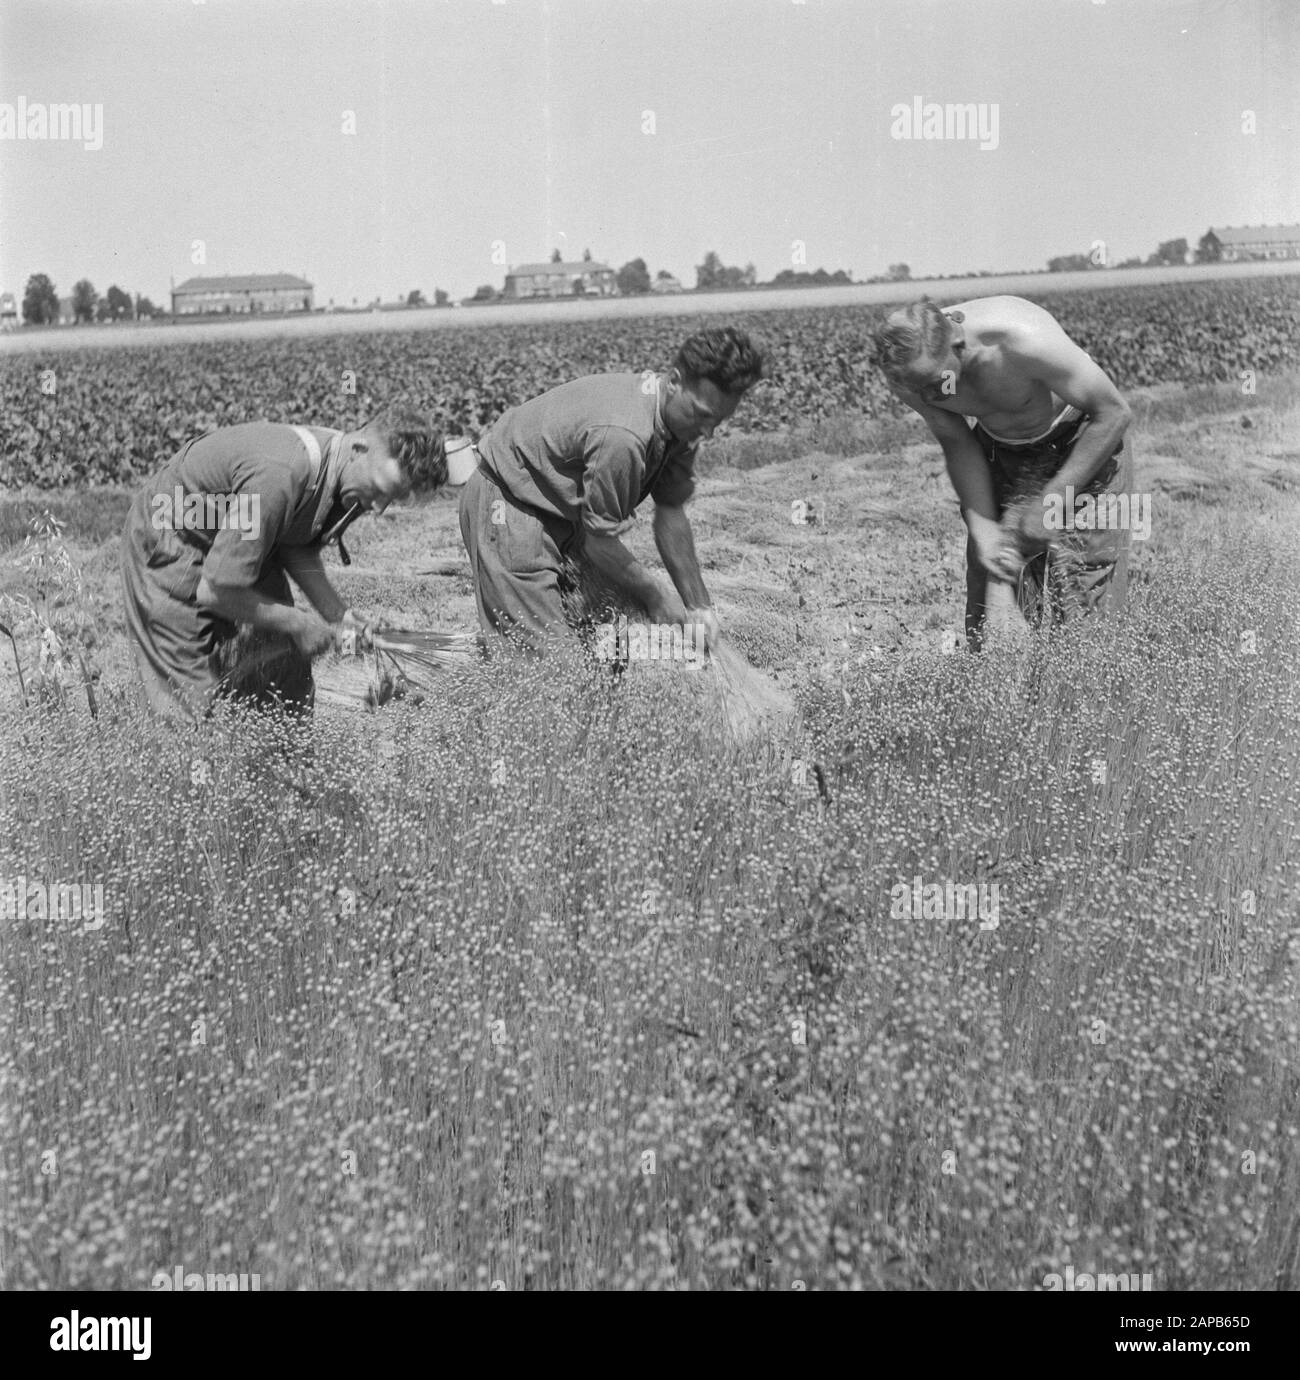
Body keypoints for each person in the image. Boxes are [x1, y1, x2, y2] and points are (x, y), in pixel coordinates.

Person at [120, 404, 445, 719]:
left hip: (237, 534)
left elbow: (298, 546)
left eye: (392, 499)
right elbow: (217, 590)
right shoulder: (280, 475)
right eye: (380, 492)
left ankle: (277, 762)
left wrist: (338, 616)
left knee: (286, 670)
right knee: (187, 698)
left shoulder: (346, 473)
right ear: (359, 448)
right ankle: (191, 758)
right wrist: (298, 622)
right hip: (173, 533)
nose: (378, 508)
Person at [458, 325, 764, 655]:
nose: (708, 430)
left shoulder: (680, 425)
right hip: (509, 506)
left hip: (563, 512)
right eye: (703, 414)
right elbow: (600, 542)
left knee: (605, 646)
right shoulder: (624, 436)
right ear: (674, 382)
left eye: (719, 420)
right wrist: (656, 596)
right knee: (548, 662)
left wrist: (698, 607)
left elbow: (671, 513)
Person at [873, 297, 1135, 647]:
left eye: (935, 383)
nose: (926, 396)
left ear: (958, 344)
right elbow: (957, 441)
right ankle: (1008, 692)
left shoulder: (1022, 341)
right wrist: (983, 530)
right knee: (987, 597)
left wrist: (1050, 504)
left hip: (1082, 442)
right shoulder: (909, 372)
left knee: (1081, 597)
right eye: (917, 388)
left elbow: (1114, 413)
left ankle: (1083, 691)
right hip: (1001, 451)